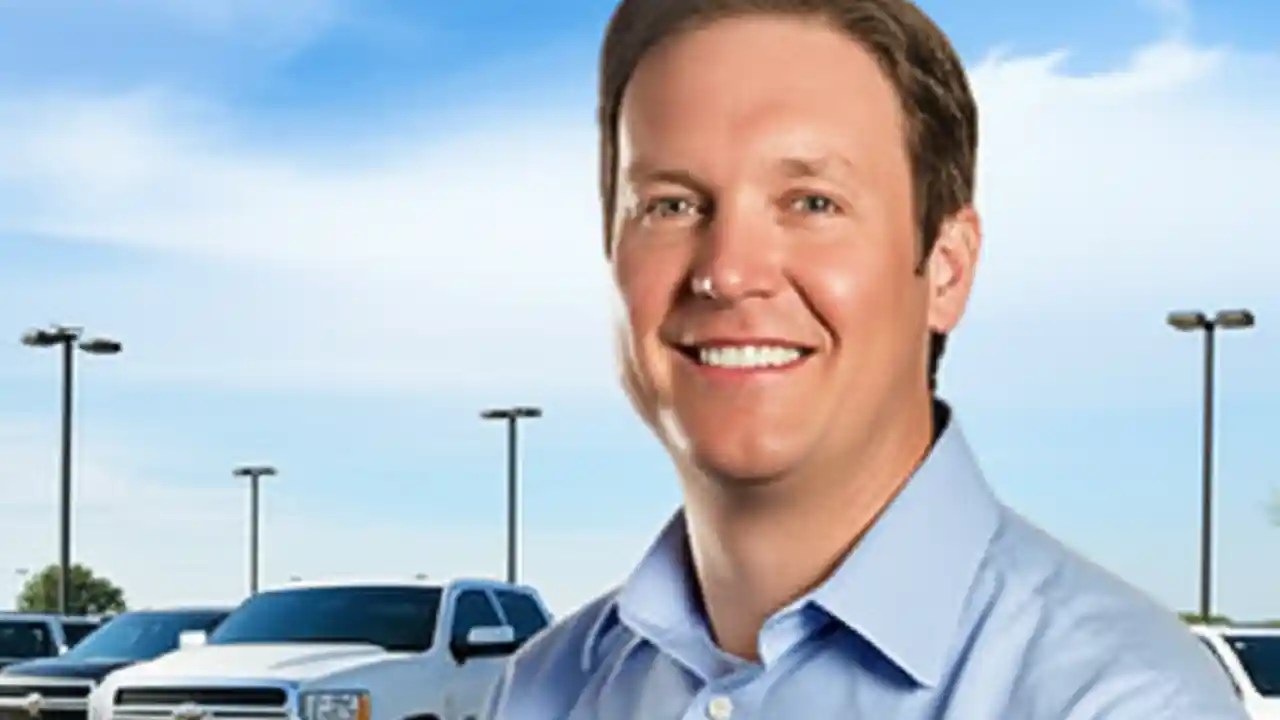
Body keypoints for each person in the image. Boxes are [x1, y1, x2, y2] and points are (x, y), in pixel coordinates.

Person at [483, 0, 1248, 717]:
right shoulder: (547, 688)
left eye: (812, 203)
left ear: (946, 268)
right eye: (672, 205)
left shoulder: (1115, 698)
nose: (728, 270)